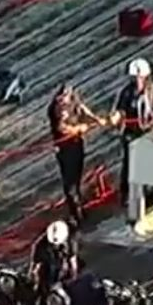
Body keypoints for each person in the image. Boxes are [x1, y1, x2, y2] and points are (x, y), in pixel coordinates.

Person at [111, 58, 153, 205]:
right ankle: (126, 194)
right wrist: (114, 119)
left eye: (139, 77)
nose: (136, 80)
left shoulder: (151, 89)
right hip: (132, 133)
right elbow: (120, 110)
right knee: (130, 164)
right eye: (134, 77)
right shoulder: (127, 93)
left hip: (148, 130)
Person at [47, 83, 107, 227]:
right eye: (61, 97)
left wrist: (96, 119)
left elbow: (82, 109)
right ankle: (77, 214)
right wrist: (79, 128)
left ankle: (79, 203)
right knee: (70, 183)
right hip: (65, 149)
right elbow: (62, 128)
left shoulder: (73, 101)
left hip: (77, 145)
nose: (63, 100)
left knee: (77, 178)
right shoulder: (57, 109)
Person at [31, 220, 80, 288]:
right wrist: (35, 281)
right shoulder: (40, 245)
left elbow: (73, 261)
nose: (55, 245)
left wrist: (73, 278)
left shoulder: (70, 242)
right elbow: (35, 266)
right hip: (47, 269)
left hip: (62, 269)